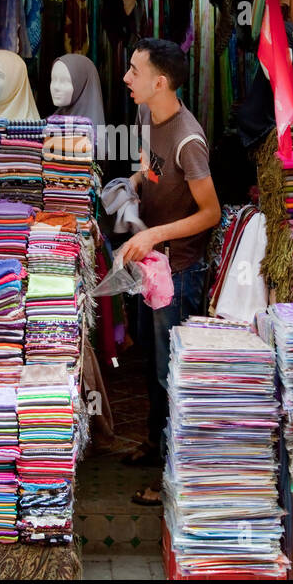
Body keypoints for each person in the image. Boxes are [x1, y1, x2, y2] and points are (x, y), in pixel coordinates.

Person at [118, 38, 222, 505]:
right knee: (150, 362)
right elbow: (150, 166)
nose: (126, 78)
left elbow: (211, 213)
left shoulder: (188, 139)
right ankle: (155, 445)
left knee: (170, 372)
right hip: (153, 264)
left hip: (179, 269)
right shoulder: (147, 114)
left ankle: (175, 481)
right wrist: (135, 183)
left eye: (134, 70)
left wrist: (155, 235)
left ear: (160, 82)